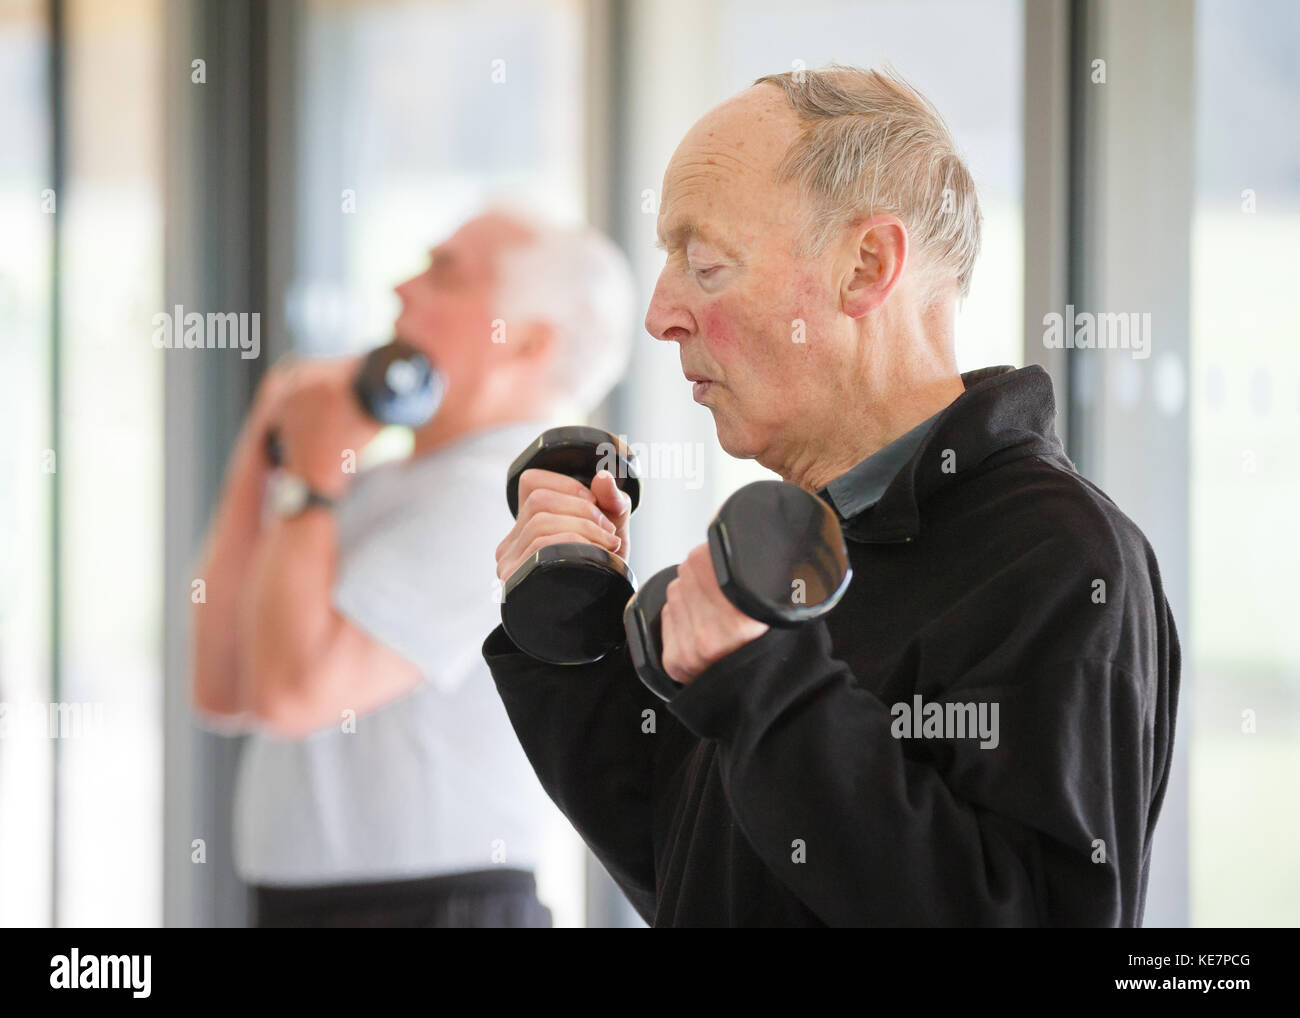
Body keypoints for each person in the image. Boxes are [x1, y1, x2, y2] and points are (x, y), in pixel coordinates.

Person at [487, 66, 1180, 927]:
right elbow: (707, 876)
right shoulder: (822, 533)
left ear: (866, 267)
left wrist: (757, 686)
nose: (661, 313)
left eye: (705, 264)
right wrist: (578, 652)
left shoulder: (1059, 554)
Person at [191, 208, 637, 927]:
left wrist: (308, 480)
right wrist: (270, 435)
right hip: (311, 905)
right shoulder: (376, 484)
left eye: (443, 274)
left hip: (423, 908)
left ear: (524, 342)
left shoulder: (512, 496)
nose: (402, 290)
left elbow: (292, 695)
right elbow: (222, 687)